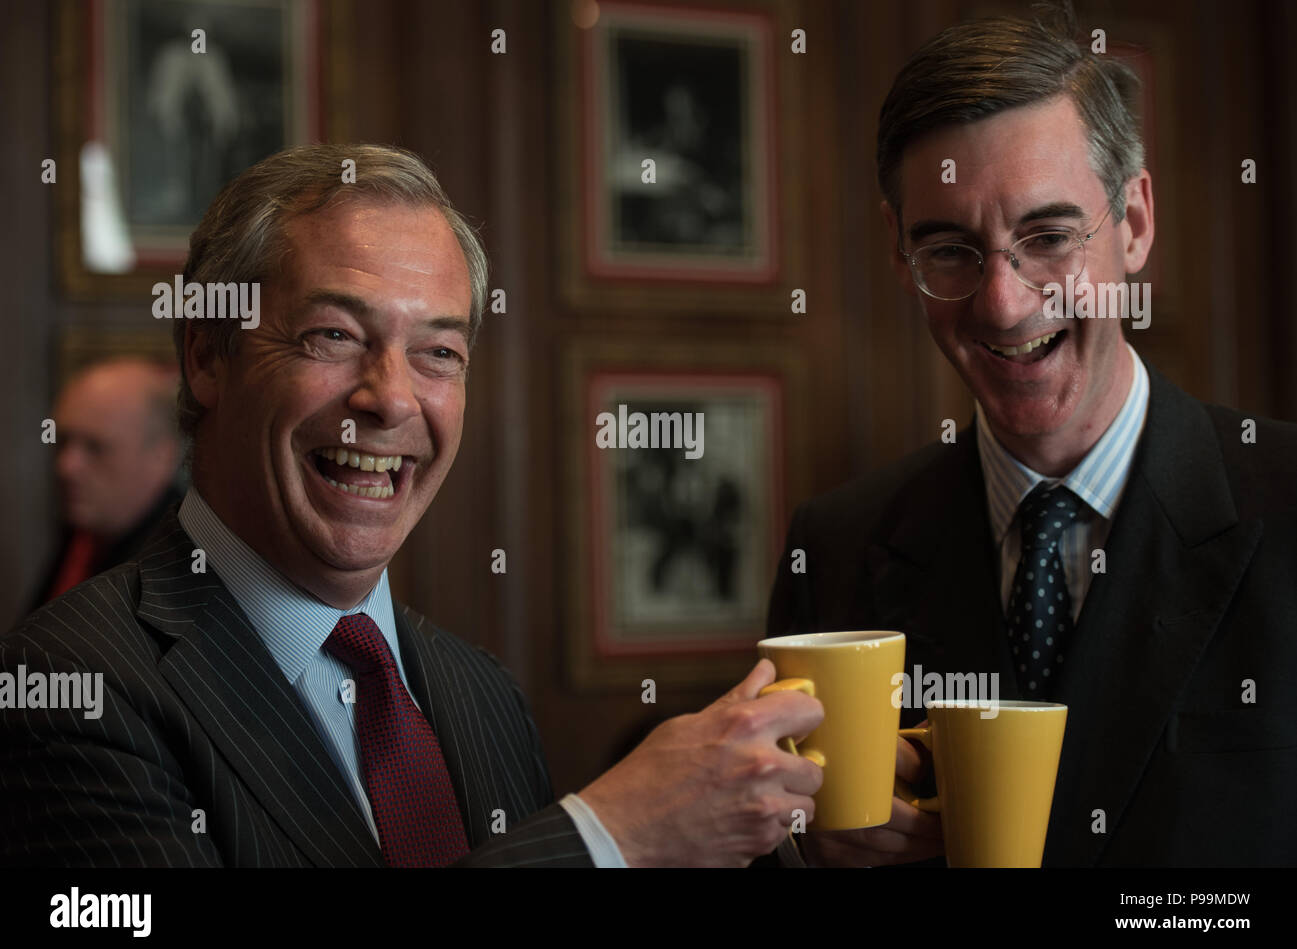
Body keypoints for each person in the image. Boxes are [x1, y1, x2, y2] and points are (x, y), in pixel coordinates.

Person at [0, 144, 823, 867]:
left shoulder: (482, 692)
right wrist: (607, 836)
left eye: (437, 351)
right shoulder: (67, 682)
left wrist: (773, 838)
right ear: (207, 355)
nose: (391, 398)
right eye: (334, 335)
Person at [768, 6, 1297, 866]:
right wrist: (802, 848)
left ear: (1134, 223)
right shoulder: (834, 548)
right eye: (950, 250)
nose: (1004, 304)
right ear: (900, 254)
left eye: (1048, 237)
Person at [25, 358, 185, 617]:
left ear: (162, 456)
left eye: (95, 447)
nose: (66, 466)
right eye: (62, 441)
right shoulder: (85, 535)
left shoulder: (172, 571)